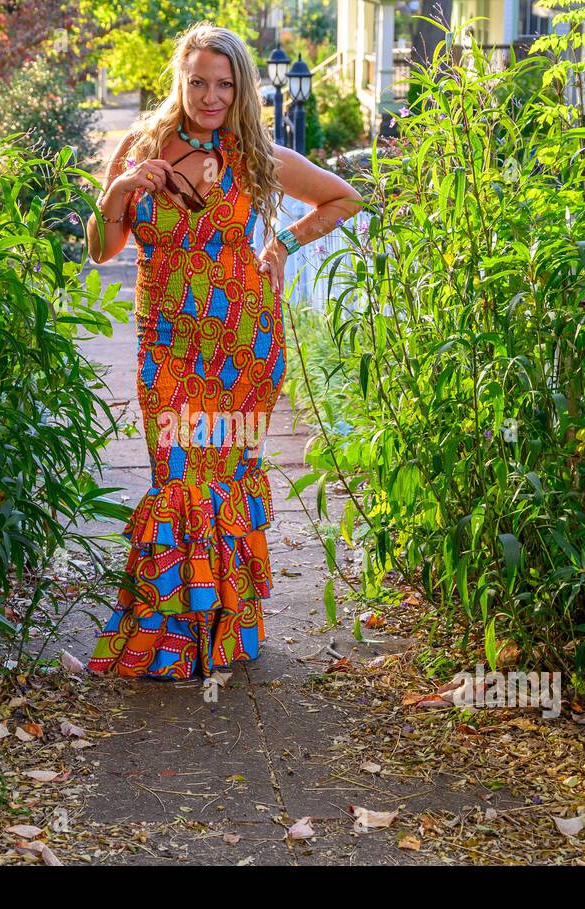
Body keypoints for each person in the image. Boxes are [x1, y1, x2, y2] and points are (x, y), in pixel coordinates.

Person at [85, 22, 362, 680]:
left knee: (221, 481)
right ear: (178, 82)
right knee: (175, 478)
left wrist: (283, 246)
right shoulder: (141, 146)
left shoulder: (254, 154)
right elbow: (102, 247)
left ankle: (220, 635)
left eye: (224, 84)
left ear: (240, 90)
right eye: (198, 82)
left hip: (242, 346)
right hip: (167, 345)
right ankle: (169, 634)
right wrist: (122, 188)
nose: (210, 96)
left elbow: (344, 196)